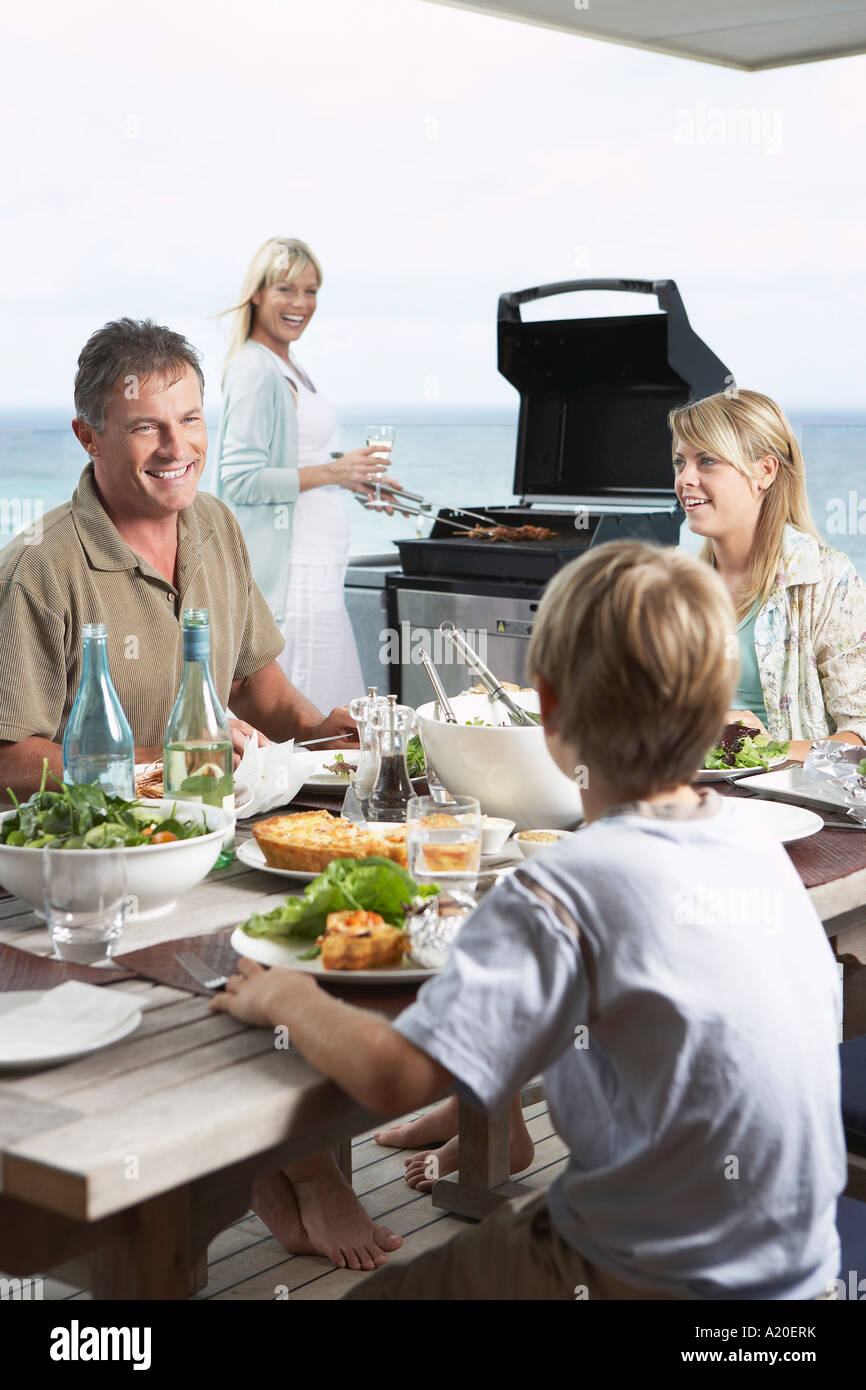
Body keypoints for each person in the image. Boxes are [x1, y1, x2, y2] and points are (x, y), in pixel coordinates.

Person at [213, 540, 846, 1300]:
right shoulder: (755, 844)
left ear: (545, 707)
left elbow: (395, 1076)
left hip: (644, 1278)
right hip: (799, 1278)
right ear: (720, 712)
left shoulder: (564, 887)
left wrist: (286, 997)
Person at [0, 317, 402, 1273]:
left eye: (191, 419)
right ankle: (285, 1180)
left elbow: (259, 688)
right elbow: (12, 759)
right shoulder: (40, 566)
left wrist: (338, 731)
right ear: (88, 437)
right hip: (80, 876)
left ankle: (287, 1164)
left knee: (320, 935)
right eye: (147, 429)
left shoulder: (215, 525)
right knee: (231, 970)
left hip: (208, 839)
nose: (177, 449)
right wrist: (154, 759)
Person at [216, 236, 402, 710]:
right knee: (310, 716)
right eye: (286, 289)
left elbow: (294, 457)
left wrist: (356, 479)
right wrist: (333, 472)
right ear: (256, 293)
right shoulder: (255, 369)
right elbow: (238, 480)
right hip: (294, 574)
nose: (300, 303)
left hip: (320, 568)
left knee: (328, 708)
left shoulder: (288, 363)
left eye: (311, 290)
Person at [673, 388, 866, 760]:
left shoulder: (825, 578)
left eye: (707, 461)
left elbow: (860, 738)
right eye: (680, 463)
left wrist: (766, 749)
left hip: (786, 805)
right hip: (684, 789)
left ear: (765, 471)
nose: (686, 479)